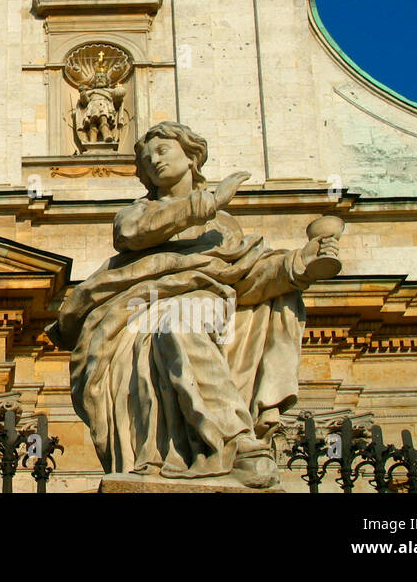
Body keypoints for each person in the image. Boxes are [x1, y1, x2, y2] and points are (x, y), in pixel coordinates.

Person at [48, 121, 341, 487]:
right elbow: (132, 234)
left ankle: (235, 441)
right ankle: (179, 451)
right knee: (159, 332)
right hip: (136, 306)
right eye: (145, 158)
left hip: (204, 300)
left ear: (191, 157)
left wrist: (299, 265)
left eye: (163, 151)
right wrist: (205, 204)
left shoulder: (224, 226)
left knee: (178, 326)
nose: (154, 161)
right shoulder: (137, 213)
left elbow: (243, 274)